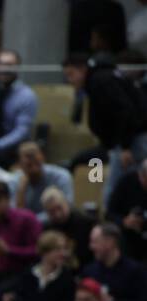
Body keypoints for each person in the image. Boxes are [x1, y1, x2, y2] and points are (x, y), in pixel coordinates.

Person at [62, 50, 147, 197]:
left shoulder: (101, 80)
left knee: (116, 190)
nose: (70, 80)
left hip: (132, 141)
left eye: (71, 74)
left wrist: (126, 146)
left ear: (82, 69)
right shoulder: (103, 77)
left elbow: (125, 110)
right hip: (119, 143)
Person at [81, 223, 147, 301]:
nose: (91, 247)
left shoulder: (135, 270)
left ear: (110, 242)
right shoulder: (89, 271)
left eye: (95, 242)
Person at [14, 142, 74, 218]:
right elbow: (13, 216)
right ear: (19, 164)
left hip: (56, 225)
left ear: (43, 157)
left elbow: (66, 208)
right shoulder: (14, 181)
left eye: (34, 154)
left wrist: (32, 223)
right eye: (27, 156)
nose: (31, 159)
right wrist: (21, 191)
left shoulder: (61, 176)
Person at [107, 158, 147, 261]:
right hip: (127, 235)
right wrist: (124, 222)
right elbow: (109, 213)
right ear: (141, 175)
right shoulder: (126, 182)